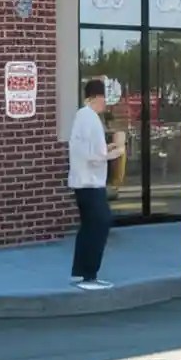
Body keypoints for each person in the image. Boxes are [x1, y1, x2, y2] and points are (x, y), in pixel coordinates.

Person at [68, 78, 125, 290]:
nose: (105, 104)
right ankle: (89, 275)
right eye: (104, 99)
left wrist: (106, 148)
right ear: (97, 98)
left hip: (81, 182)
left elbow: (87, 150)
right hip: (91, 184)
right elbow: (94, 156)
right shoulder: (91, 119)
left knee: (88, 227)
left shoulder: (81, 116)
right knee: (99, 225)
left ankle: (78, 272)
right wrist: (116, 152)